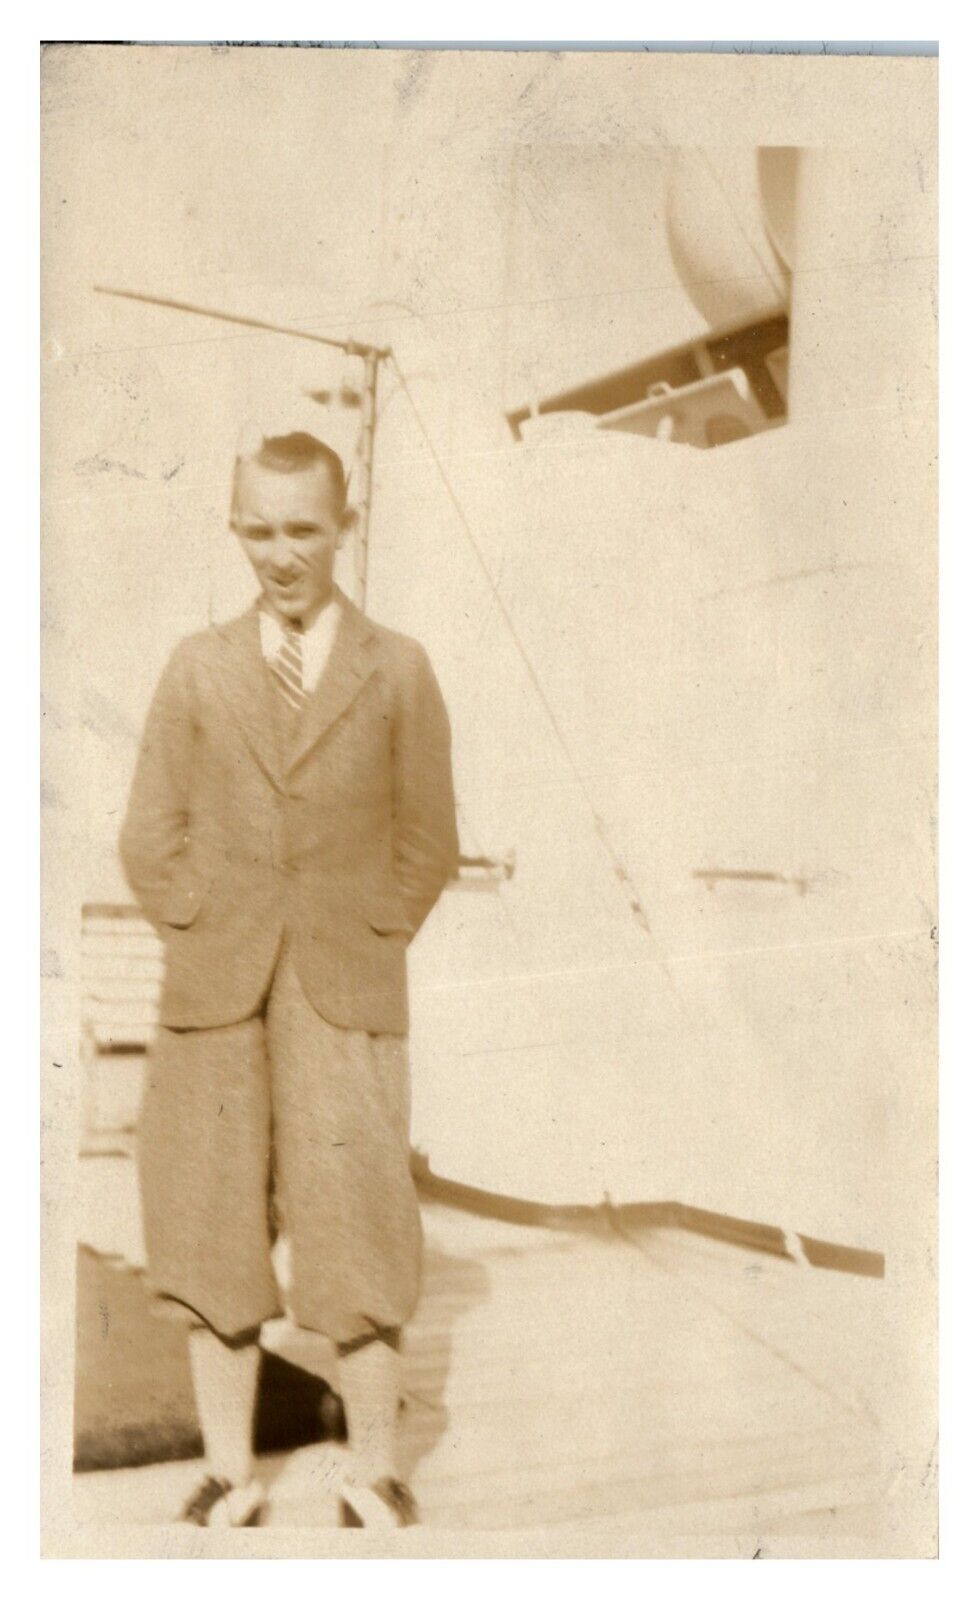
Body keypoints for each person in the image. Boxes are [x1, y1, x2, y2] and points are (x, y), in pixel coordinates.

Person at [120, 430, 458, 1528]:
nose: (281, 554)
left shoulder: (397, 667)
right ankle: (231, 1471)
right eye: (259, 530)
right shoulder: (197, 665)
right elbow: (148, 835)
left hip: (342, 994)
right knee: (207, 1220)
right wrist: (205, 926)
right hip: (213, 996)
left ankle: (376, 1469)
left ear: (344, 526)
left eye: (304, 528)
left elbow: (428, 840)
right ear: (234, 528)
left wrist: (368, 933)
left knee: (358, 1220)